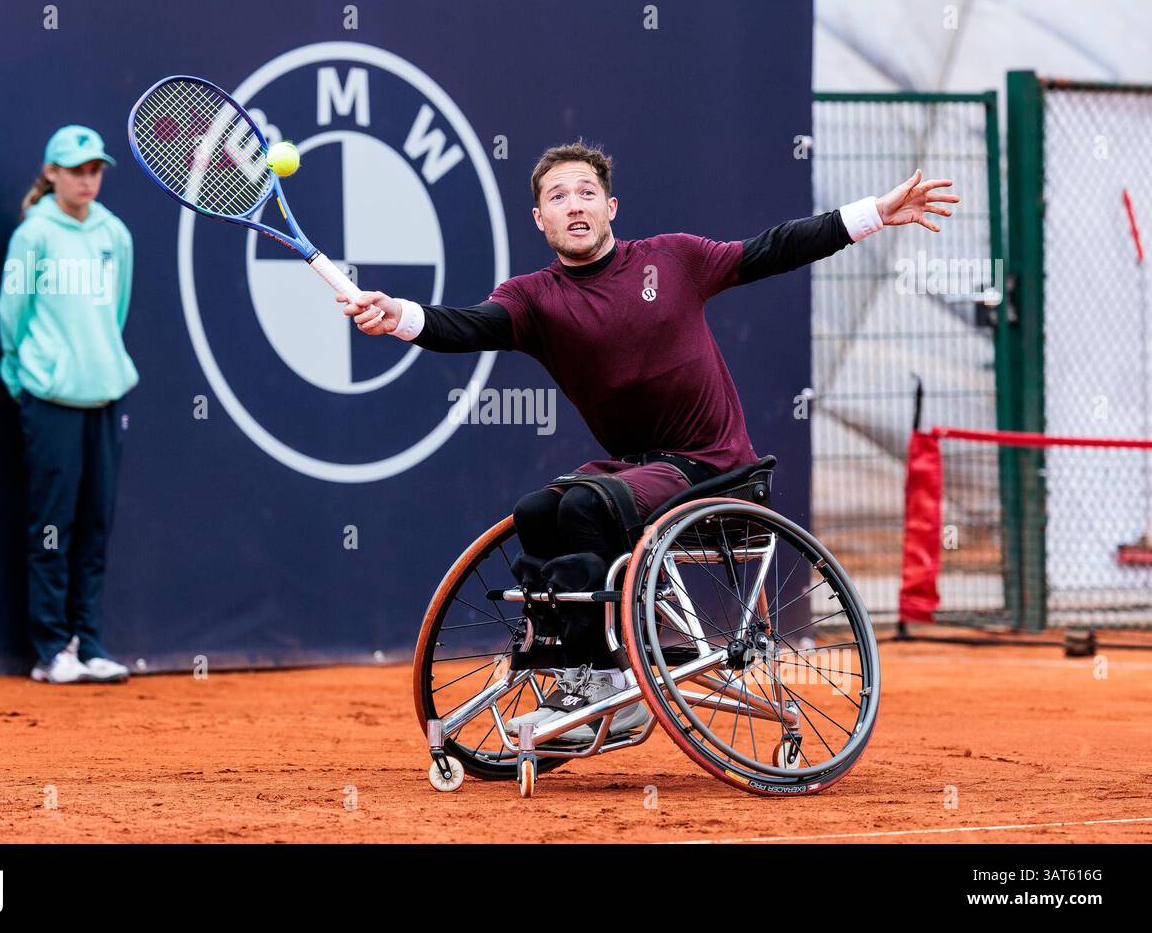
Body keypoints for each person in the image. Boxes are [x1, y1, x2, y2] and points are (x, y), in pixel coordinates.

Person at [339, 141, 958, 738]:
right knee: (537, 510)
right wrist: (401, 316)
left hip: (715, 467)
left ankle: (612, 682)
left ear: (611, 207)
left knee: (585, 506)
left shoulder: (674, 259)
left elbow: (773, 249)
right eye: (558, 197)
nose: (574, 205)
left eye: (587, 192)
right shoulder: (533, 299)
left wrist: (874, 213)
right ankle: (581, 660)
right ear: (539, 219)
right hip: (634, 470)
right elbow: (467, 326)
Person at [0, 125, 138, 684]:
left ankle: (90, 643)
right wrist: (23, 373)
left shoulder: (116, 234)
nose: (87, 179)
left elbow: (117, 309)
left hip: (105, 393)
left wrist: (98, 359)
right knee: (52, 525)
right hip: (49, 396)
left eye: (95, 170)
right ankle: (53, 650)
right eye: (76, 170)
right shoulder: (33, 236)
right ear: (52, 174)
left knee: (95, 524)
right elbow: (12, 313)